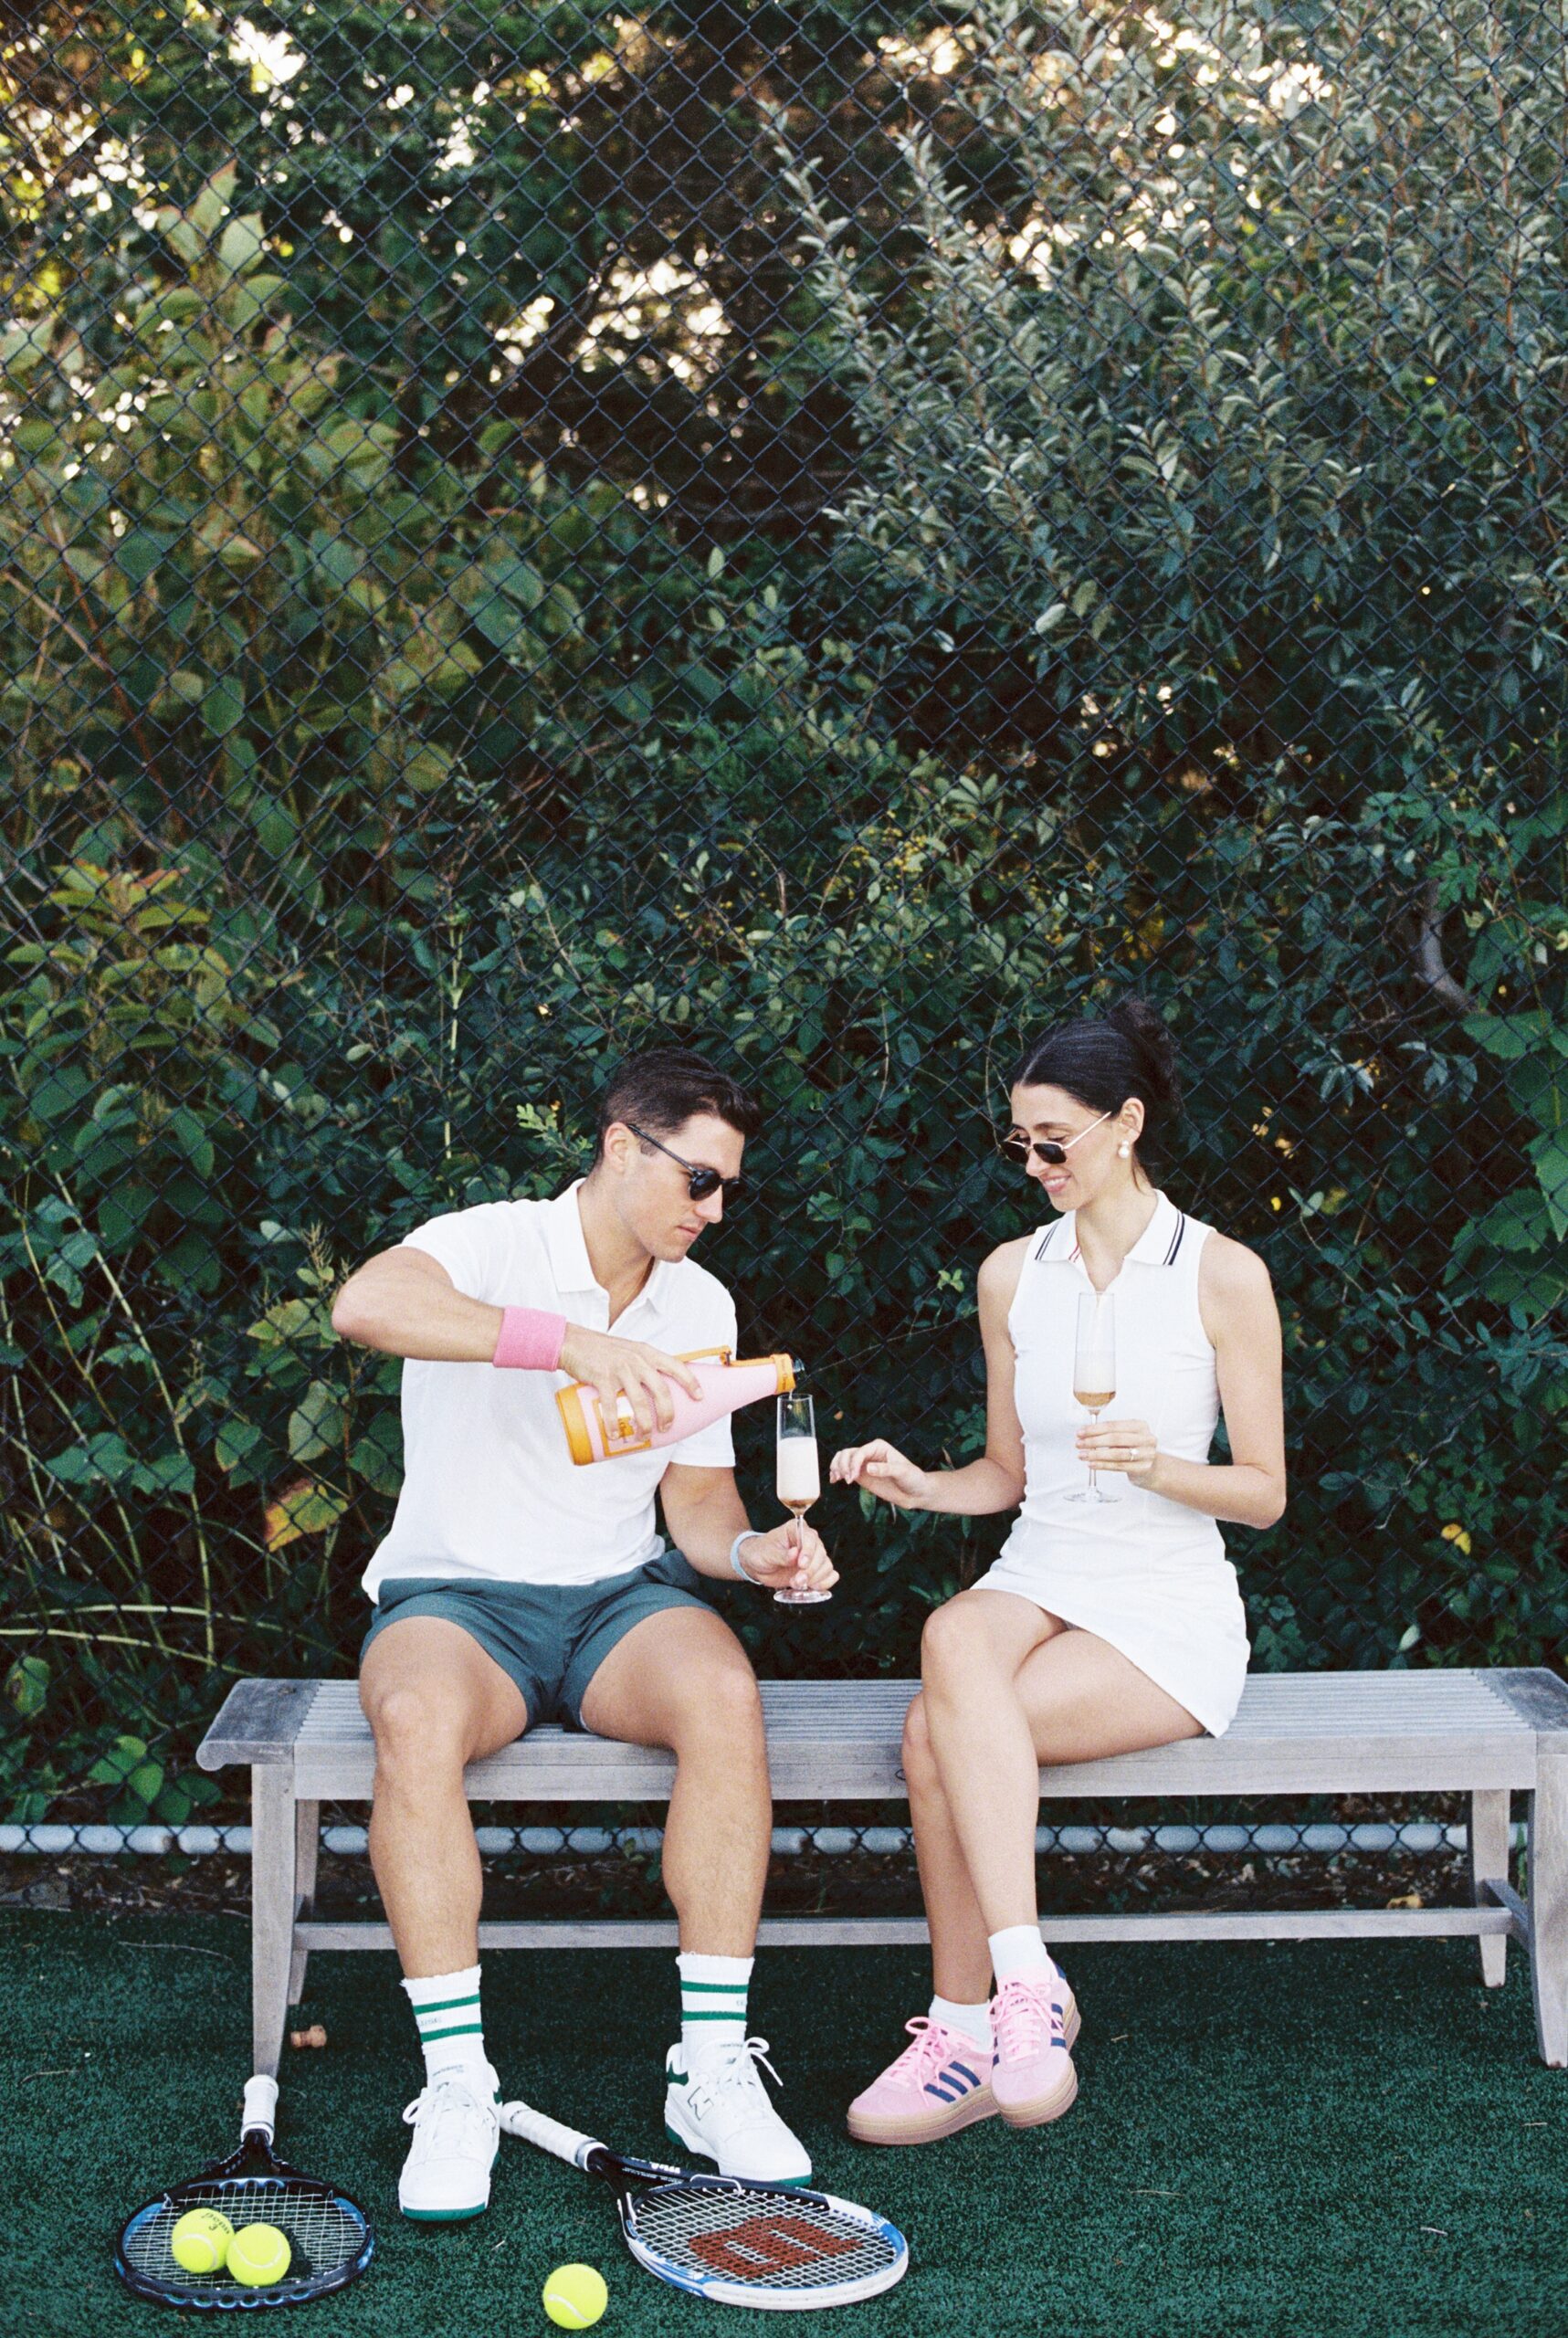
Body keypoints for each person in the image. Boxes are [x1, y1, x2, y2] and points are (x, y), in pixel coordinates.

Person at [331, 1045, 836, 2220]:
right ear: (620, 1144)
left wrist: (755, 1554)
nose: (712, 1209)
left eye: (726, 1189)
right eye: (696, 1180)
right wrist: (570, 1341)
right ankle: (457, 2084)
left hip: (615, 1601)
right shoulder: (490, 1238)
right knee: (410, 1715)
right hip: (457, 1603)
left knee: (724, 1694)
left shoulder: (699, 1304)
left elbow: (700, 1511)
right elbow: (365, 1305)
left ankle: (707, 2066)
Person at [830, 1000, 1286, 2145]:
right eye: (1017, 1142)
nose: (1032, 1164)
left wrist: (1168, 1467)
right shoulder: (1008, 1276)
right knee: (954, 1640)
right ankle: (1021, 1985)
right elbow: (1003, 1470)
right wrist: (922, 1486)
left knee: (940, 1732)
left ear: (1124, 1124)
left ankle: (967, 2019)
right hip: (1041, 1570)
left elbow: (1267, 1492)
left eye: (1054, 1141)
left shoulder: (1220, 1274)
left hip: (1163, 1606)